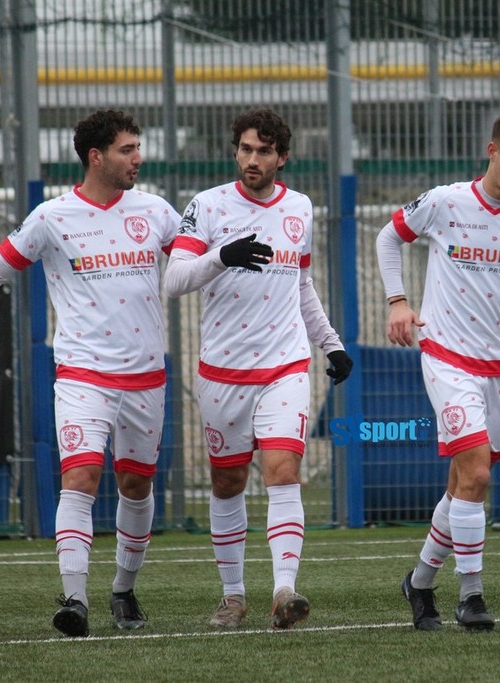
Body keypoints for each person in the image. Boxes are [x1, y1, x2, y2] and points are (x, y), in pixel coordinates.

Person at [0, 110, 180, 637]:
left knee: (137, 486)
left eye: (138, 148)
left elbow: (189, 266)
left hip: (146, 377)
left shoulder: (157, 211)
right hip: (82, 375)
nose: (138, 158)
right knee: (81, 477)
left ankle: (123, 589)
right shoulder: (52, 218)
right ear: (96, 156)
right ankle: (74, 599)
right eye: (127, 149)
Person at [375, 111, 500, 632]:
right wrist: (398, 301)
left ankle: (419, 582)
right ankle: (472, 595)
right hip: (445, 357)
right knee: (479, 473)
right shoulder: (445, 201)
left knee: (463, 483)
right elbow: (387, 237)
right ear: (492, 150)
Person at [164, 108, 352, 630]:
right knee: (226, 484)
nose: (253, 159)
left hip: (285, 365)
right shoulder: (207, 206)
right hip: (222, 371)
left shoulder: (300, 207)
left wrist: (330, 344)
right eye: (245, 149)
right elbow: (176, 279)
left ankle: (284, 590)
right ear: (235, 151)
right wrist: (221, 256)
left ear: (282, 158)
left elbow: (302, 284)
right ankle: (232, 597)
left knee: (283, 472)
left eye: (264, 151)